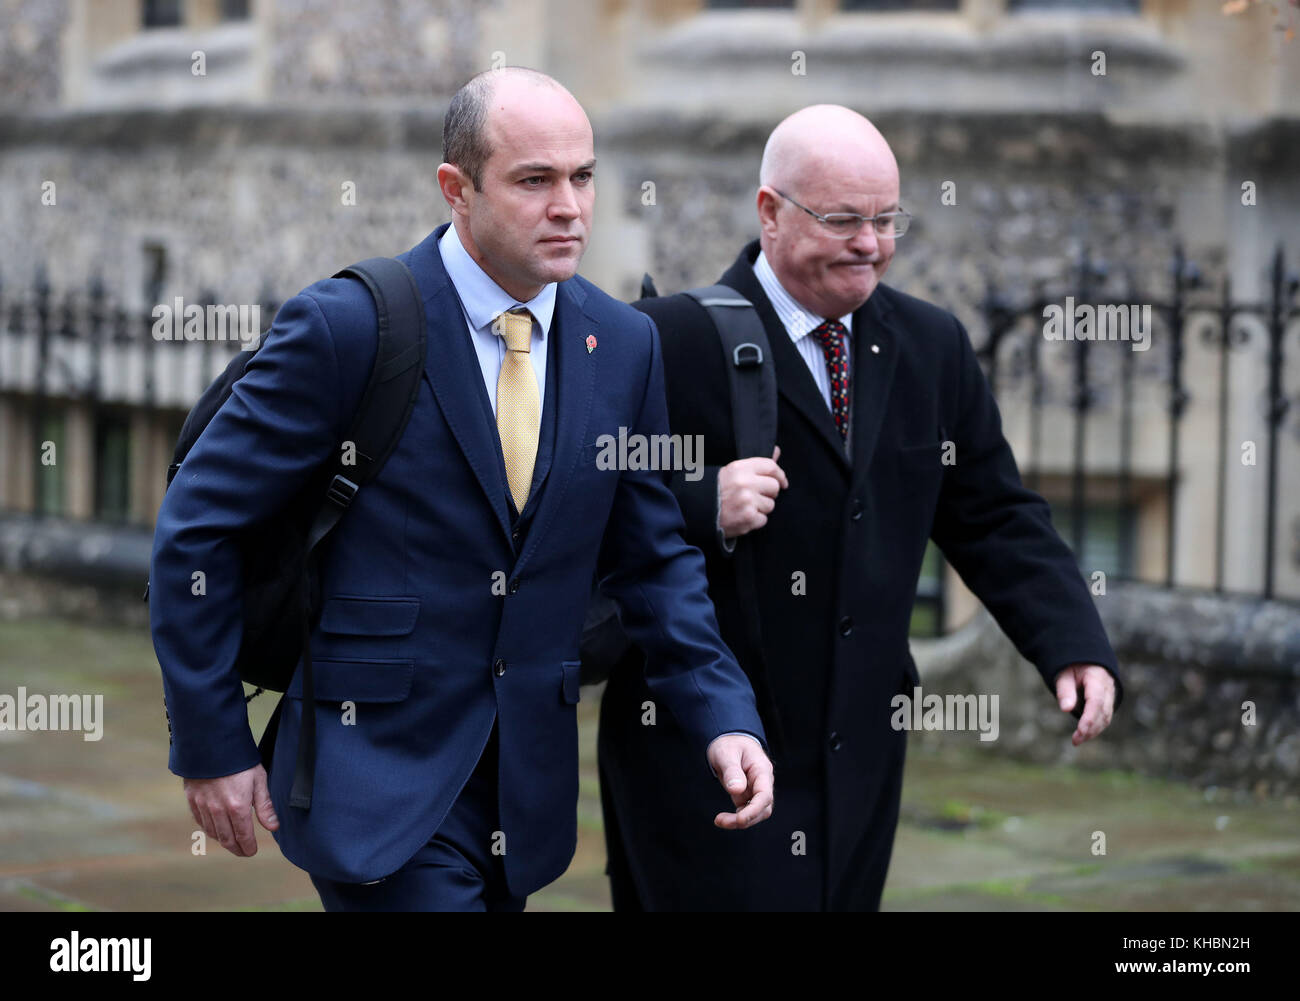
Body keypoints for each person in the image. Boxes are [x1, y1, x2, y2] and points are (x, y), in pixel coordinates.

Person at [149, 67, 773, 912]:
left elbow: (654, 557)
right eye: (534, 180)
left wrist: (724, 713)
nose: (570, 207)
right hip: (371, 774)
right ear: (457, 188)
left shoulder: (625, 345)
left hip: (526, 790)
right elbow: (197, 529)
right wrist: (212, 741)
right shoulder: (348, 325)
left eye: (583, 177)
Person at [597, 104, 1122, 911]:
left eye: (886, 219)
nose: (871, 243)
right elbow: (588, 501)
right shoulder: (664, 339)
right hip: (702, 754)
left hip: (860, 756)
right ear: (770, 211)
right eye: (842, 219)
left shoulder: (931, 344)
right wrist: (702, 499)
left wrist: (1072, 641)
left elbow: (993, 513)